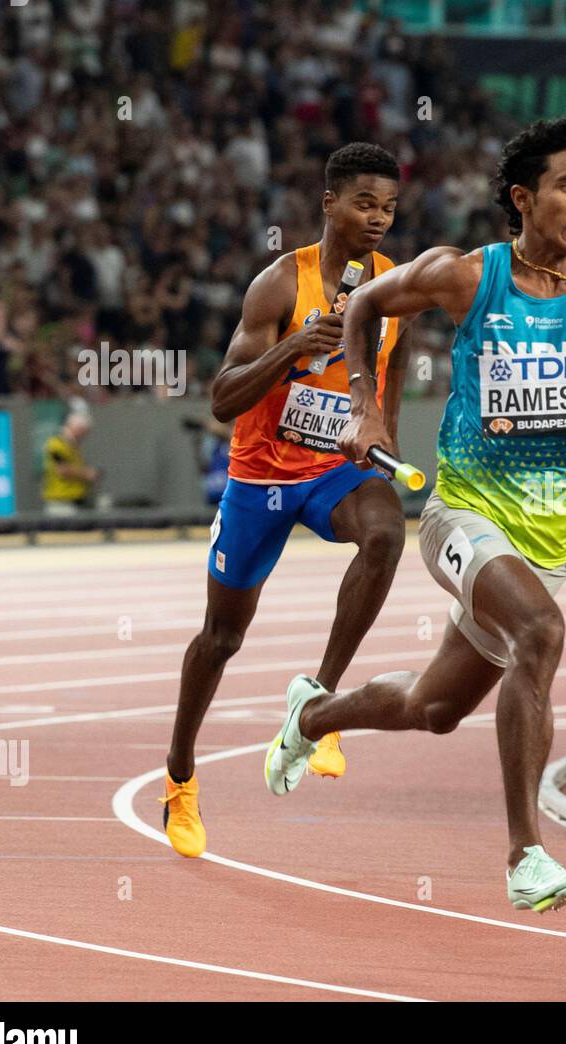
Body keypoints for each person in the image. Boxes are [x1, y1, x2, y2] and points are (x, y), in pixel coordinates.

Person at [262, 115, 566, 912]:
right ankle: (527, 857)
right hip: (463, 514)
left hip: (550, 537)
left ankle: (311, 715)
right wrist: (367, 410)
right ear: (523, 198)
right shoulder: (465, 276)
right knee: (542, 634)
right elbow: (365, 307)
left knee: (434, 708)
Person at [160, 142, 413, 858]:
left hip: (334, 471)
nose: (378, 218)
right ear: (329, 203)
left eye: (389, 207)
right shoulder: (279, 283)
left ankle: (317, 703)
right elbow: (220, 399)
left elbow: (390, 376)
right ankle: (180, 776)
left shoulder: (395, 288)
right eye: (365, 202)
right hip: (263, 478)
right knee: (222, 639)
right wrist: (291, 348)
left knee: (388, 535)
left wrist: (378, 433)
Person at [42, 412, 99, 515]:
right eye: (84, 431)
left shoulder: (72, 445)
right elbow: (62, 469)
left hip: (77, 499)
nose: (85, 435)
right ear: (76, 428)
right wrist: (87, 474)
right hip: (61, 501)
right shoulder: (56, 444)